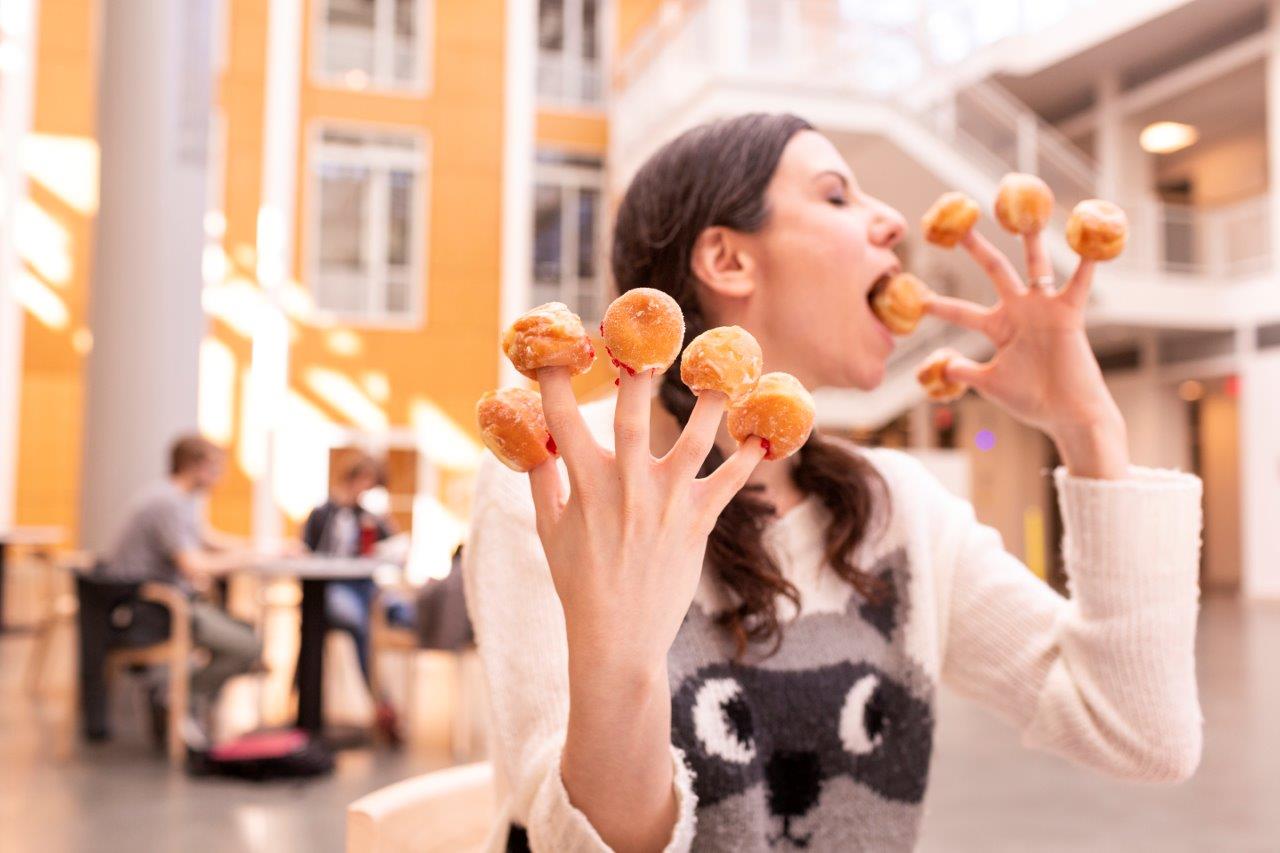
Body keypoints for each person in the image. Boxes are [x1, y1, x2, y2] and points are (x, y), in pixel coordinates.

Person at [465, 114, 1204, 851]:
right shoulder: (557, 481)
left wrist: (1088, 426)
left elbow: (1139, 733)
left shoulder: (897, 506)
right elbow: (569, 839)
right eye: (837, 195)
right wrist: (621, 659)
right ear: (727, 258)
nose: (894, 222)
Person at [100, 435, 263, 744]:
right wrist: (249, 557)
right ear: (195, 466)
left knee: (243, 633)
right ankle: (175, 696)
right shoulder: (167, 502)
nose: (220, 478)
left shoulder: (183, 499)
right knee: (248, 646)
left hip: (170, 599)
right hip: (153, 607)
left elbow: (207, 539)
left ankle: (180, 701)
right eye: (215, 469)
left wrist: (260, 548)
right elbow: (194, 565)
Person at [301, 452, 412, 742]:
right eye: (366, 481)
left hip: (365, 585)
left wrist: (385, 521)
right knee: (360, 622)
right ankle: (382, 701)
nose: (367, 489)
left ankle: (390, 699)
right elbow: (307, 549)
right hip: (332, 586)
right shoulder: (323, 513)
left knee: (399, 610)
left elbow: (395, 545)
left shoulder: (367, 516)